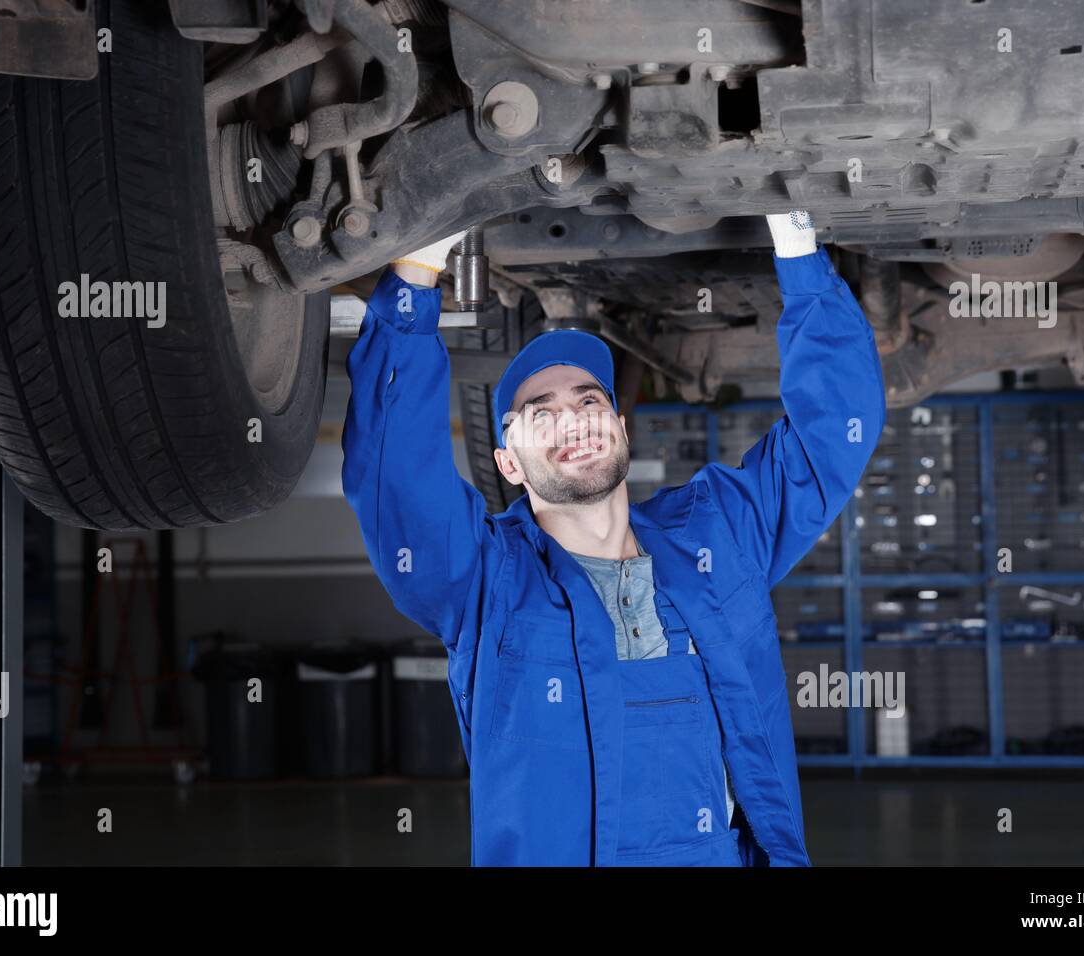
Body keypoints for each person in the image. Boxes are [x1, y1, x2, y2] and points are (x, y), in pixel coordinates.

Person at [341, 211, 885, 866]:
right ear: (508, 464)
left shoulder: (715, 542)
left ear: (620, 430)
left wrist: (798, 244)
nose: (572, 418)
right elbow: (398, 477)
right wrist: (416, 274)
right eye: (539, 414)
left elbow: (832, 438)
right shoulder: (488, 584)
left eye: (590, 401)